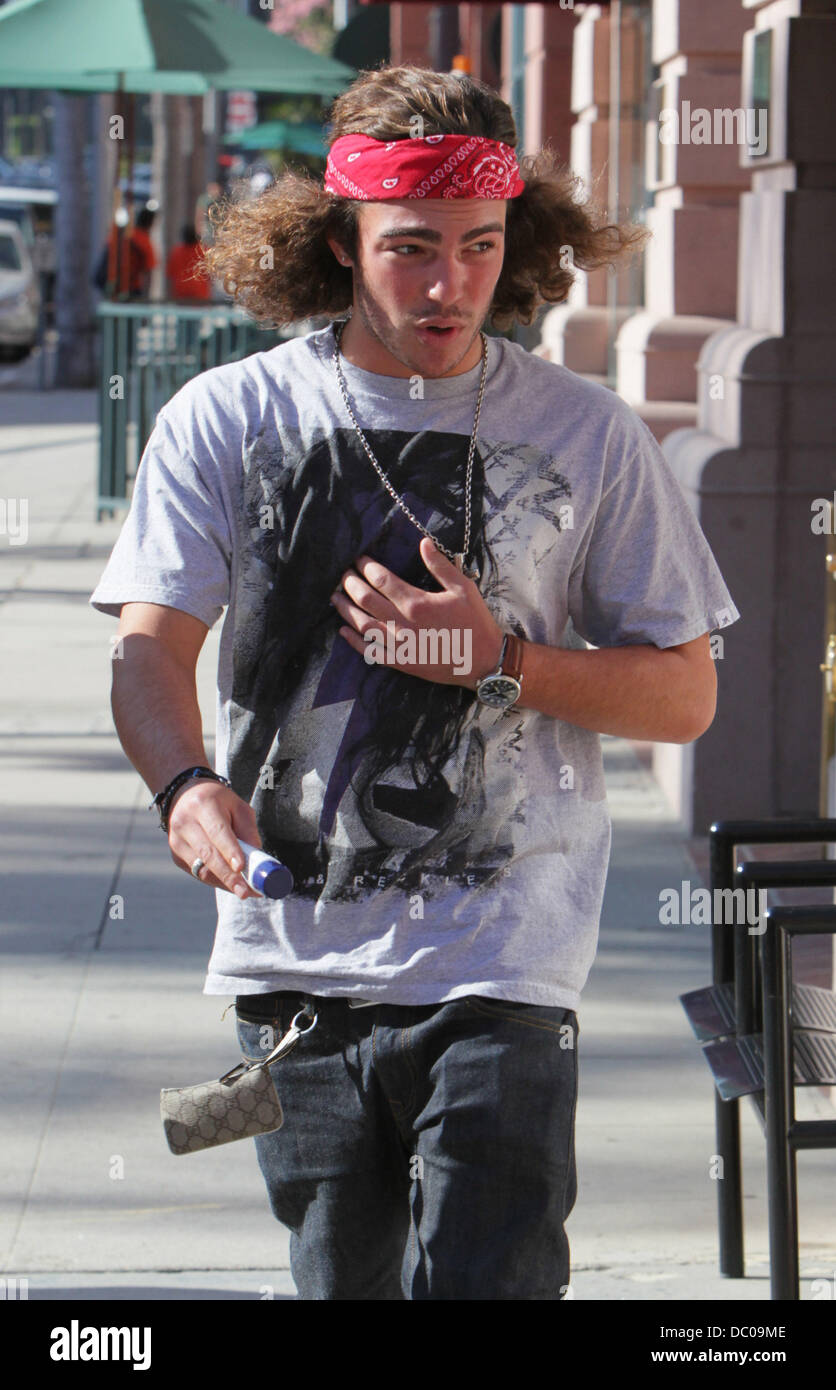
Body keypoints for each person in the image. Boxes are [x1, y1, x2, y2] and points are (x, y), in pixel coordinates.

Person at [89, 64, 740, 1301]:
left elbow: (683, 696)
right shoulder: (225, 417)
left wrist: (499, 657)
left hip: (504, 953)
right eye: (410, 248)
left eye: (480, 247)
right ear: (338, 241)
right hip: (295, 954)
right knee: (338, 1281)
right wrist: (182, 783)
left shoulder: (586, 432)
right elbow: (150, 646)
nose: (448, 286)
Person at [166, 224, 211, 301]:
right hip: (200, 294)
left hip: (180, 293)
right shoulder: (204, 251)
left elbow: (170, 276)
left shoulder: (176, 252)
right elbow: (210, 275)